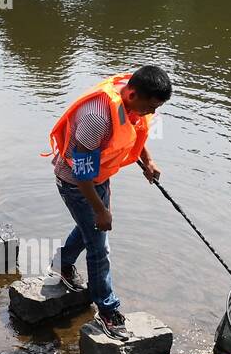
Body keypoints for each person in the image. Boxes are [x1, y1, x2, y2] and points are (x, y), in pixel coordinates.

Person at [47, 65, 173, 339]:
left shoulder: (133, 98)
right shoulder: (97, 118)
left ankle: (62, 264)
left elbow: (133, 129)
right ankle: (107, 310)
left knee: (88, 230)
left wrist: (147, 161)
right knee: (99, 245)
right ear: (132, 95)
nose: (152, 114)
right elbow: (81, 172)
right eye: (149, 107)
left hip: (100, 177)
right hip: (75, 183)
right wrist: (100, 210)